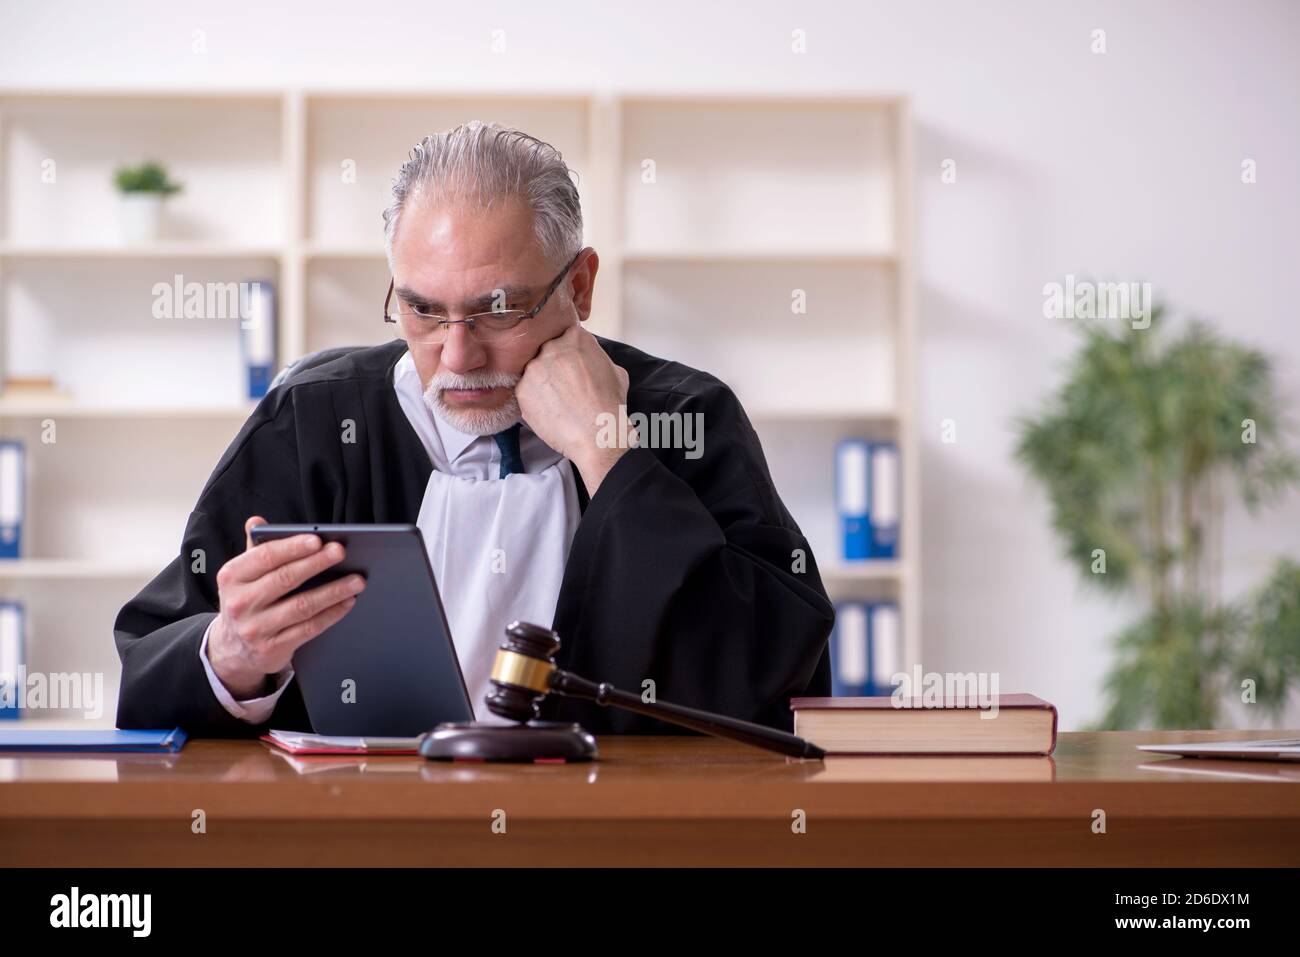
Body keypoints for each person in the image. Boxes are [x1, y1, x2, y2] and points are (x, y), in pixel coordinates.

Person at [114, 121, 834, 737]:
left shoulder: (685, 419)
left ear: (579, 286)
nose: (456, 357)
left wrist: (609, 454)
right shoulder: (314, 420)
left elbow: (769, 684)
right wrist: (234, 655)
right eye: (423, 311)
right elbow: (149, 670)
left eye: (498, 310)